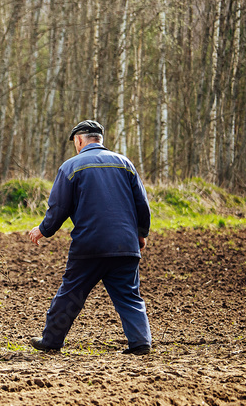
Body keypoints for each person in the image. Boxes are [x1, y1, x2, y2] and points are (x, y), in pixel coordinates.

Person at [27, 119, 152, 355]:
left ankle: (51, 340)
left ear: (79, 140)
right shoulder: (125, 164)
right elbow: (142, 204)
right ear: (100, 140)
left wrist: (44, 229)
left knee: (70, 294)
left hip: (90, 245)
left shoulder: (71, 166)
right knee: (129, 295)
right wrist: (141, 234)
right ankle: (141, 342)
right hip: (125, 245)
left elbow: (59, 206)